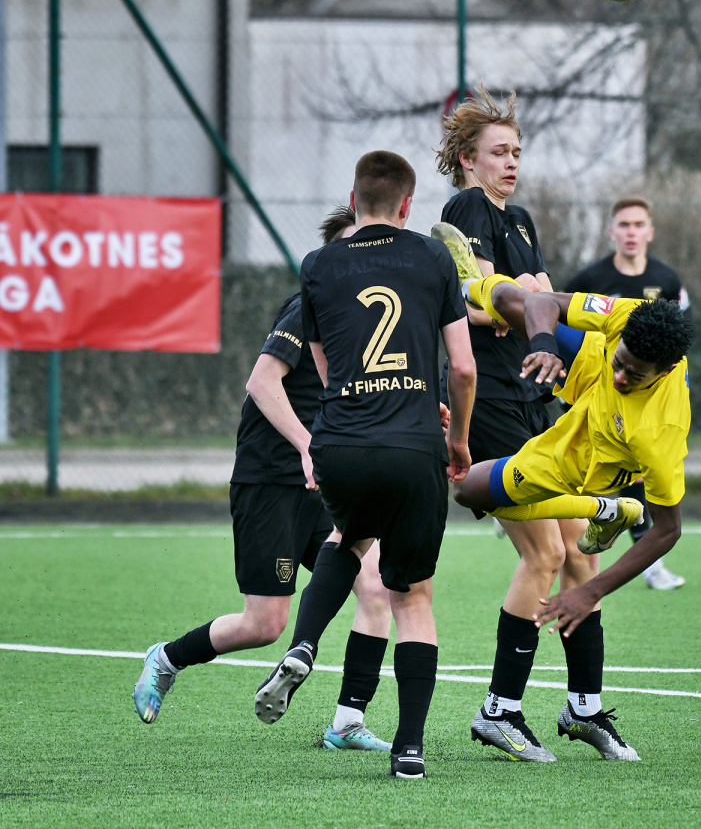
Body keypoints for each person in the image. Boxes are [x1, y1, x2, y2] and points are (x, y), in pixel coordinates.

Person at [132, 206, 395, 752]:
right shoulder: (308, 308)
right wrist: (307, 446)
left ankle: (347, 720)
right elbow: (261, 381)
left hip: (325, 485)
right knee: (264, 624)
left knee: (379, 581)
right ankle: (168, 657)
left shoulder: (370, 321)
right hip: (271, 480)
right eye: (350, 247)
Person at [433, 223, 693, 763]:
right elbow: (547, 302)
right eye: (622, 361)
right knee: (519, 302)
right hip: (581, 380)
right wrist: (548, 347)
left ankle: (560, 708)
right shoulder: (630, 323)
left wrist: (592, 595)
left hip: (588, 463)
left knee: (566, 557)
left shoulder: (659, 434)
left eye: (635, 375)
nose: (623, 375)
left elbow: (667, 530)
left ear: (664, 372)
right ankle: (468, 283)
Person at [254, 151, 475, 781]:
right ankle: (408, 748)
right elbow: (462, 367)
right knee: (413, 598)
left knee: (348, 537)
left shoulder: (319, 265)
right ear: (408, 206)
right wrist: (457, 439)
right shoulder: (433, 257)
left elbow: (325, 370)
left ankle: (303, 643)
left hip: (343, 440)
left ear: (353, 201)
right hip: (414, 445)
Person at [433, 90, 598, 762]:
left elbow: (541, 302)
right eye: (500, 152)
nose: (512, 163)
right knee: (546, 556)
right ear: (469, 159)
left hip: (536, 399)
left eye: (517, 152)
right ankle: (498, 710)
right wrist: (519, 296)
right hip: (497, 404)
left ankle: (584, 708)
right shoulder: (464, 210)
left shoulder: (521, 218)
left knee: (581, 554)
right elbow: (477, 305)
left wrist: (527, 296)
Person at [564, 196, 690, 590]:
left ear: (650, 231)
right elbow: (562, 322)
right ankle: (542, 513)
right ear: (612, 231)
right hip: (597, 388)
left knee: (636, 474)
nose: (631, 232)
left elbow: (680, 342)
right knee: (581, 471)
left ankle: (650, 565)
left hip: (641, 399)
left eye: (639, 225)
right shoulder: (591, 278)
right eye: (624, 225)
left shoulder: (667, 280)